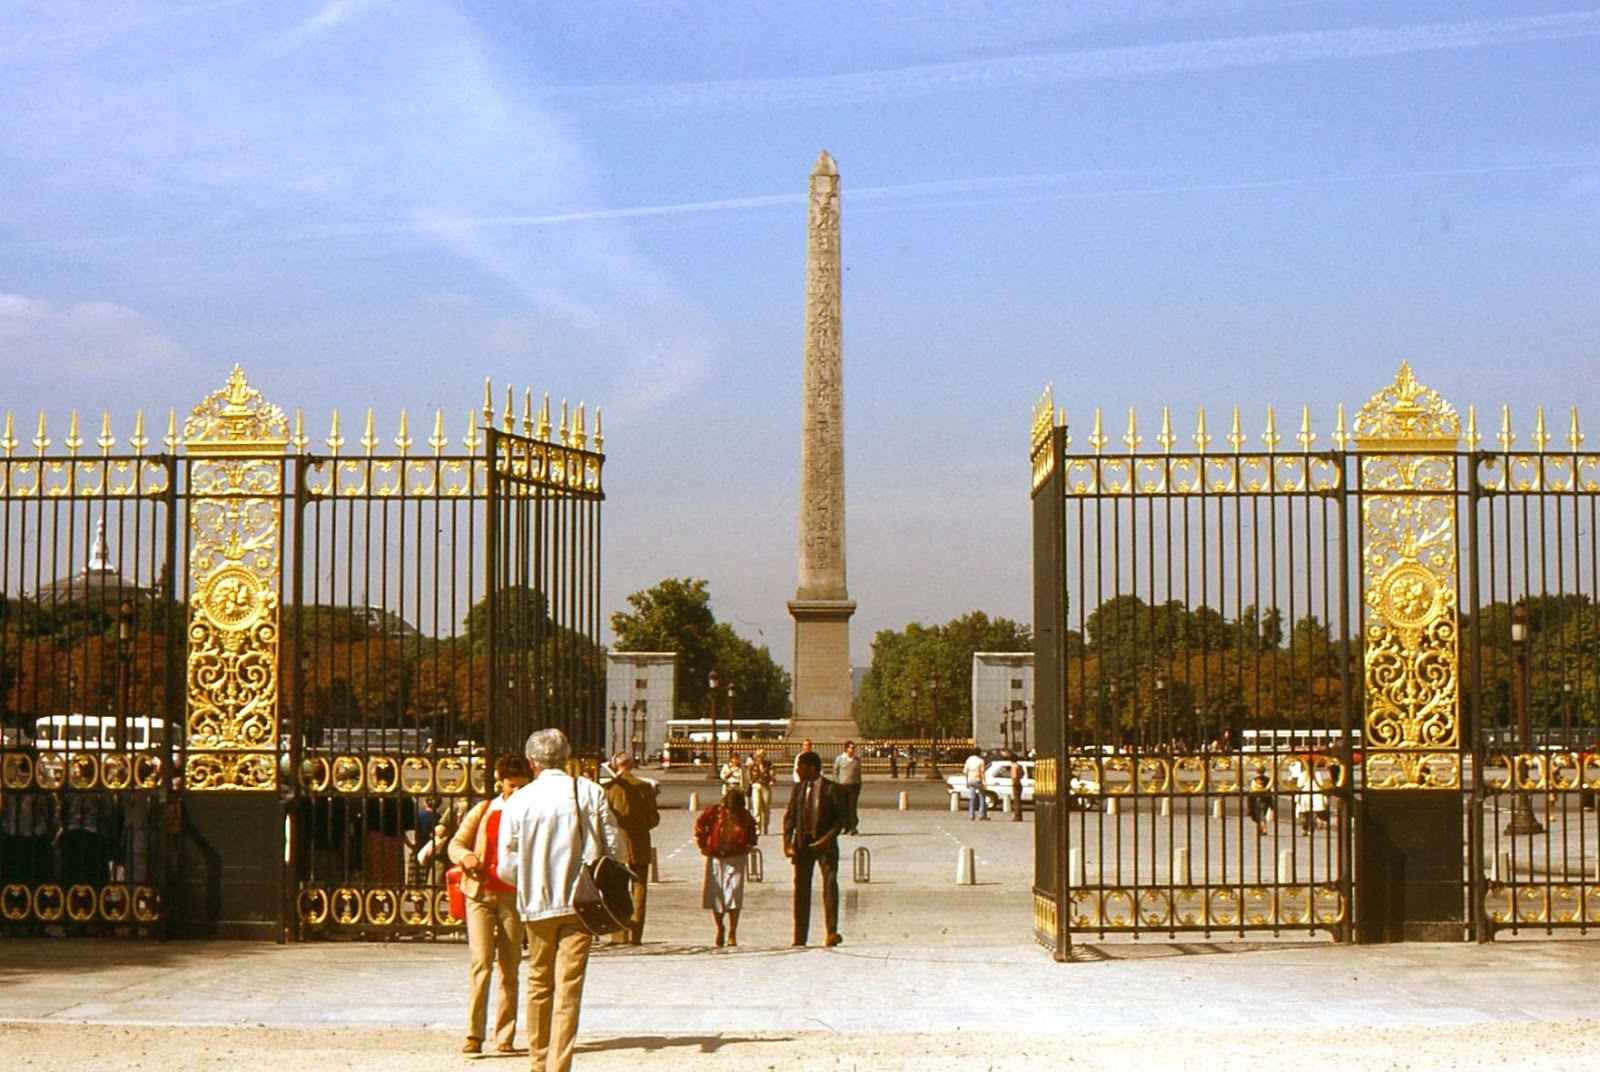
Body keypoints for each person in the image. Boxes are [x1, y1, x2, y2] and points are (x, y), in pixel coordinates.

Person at [496, 728, 625, 1072]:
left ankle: (538, 1060)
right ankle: (559, 1064)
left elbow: (506, 864)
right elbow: (616, 849)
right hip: (581, 903)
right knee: (569, 987)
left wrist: (526, 881)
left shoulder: (519, 800)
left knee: (539, 981)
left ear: (531, 762)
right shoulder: (588, 791)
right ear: (567, 757)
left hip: (537, 902)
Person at [448, 754, 532, 1055]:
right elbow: (455, 844)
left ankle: (505, 1035)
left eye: (522, 787)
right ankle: (473, 1033)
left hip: (512, 895)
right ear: (500, 782)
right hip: (481, 893)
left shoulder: (530, 813)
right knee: (481, 962)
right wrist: (467, 857)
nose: (516, 793)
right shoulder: (484, 809)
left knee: (510, 967)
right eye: (511, 786)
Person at [782, 750, 845, 948]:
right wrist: (787, 841)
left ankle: (831, 931)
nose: (797, 771)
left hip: (825, 844)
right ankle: (800, 936)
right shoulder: (799, 788)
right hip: (803, 845)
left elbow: (841, 819)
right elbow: (791, 816)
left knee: (829, 885)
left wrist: (828, 838)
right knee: (801, 889)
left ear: (811, 768)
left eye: (800, 767)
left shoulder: (831, 789)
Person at [602, 751, 659, 944]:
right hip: (640, 844)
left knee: (617, 889)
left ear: (614, 765)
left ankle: (619, 932)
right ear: (632, 765)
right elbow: (653, 819)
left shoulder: (608, 789)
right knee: (639, 890)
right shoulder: (644, 788)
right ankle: (636, 934)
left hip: (616, 846)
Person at [694, 787, 758, 947]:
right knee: (716, 895)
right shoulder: (714, 812)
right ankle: (720, 927)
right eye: (729, 809)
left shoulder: (745, 817)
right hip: (716, 857)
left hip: (736, 857)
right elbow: (700, 825)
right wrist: (703, 845)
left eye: (734, 810)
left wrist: (748, 846)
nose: (731, 813)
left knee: (734, 894)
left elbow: (752, 834)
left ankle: (732, 933)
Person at [832, 741, 862, 835]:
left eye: (854, 748)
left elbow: (858, 773)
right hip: (842, 786)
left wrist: (859, 783)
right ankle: (845, 826)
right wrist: (837, 783)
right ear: (846, 749)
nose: (853, 750)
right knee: (844, 808)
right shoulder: (840, 759)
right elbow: (835, 772)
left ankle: (853, 827)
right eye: (851, 748)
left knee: (852, 807)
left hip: (854, 786)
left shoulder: (857, 760)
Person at [747, 749, 775, 835]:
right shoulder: (753, 765)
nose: (760, 758)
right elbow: (749, 775)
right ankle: (757, 828)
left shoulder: (768, 764)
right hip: (756, 786)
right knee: (757, 807)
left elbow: (772, 774)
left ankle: (765, 827)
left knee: (766, 808)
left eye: (762, 756)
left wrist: (772, 780)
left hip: (766, 786)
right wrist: (750, 781)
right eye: (758, 756)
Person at [963, 750, 989, 821]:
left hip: (970, 778)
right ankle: (982, 814)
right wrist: (984, 782)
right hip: (977, 778)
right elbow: (982, 772)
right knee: (982, 796)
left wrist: (966, 781)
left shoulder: (969, 760)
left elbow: (965, 771)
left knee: (972, 797)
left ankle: (971, 814)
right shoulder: (980, 761)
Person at [1245, 770, 1274, 835]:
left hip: (1257, 799)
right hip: (1266, 799)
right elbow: (1271, 791)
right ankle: (1262, 828)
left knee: (1259, 815)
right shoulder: (1268, 780)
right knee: (1263, 814)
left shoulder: (1255, 780)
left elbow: (1251, 791)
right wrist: (1272, 803)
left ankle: (1263, 829)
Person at [1007, 752, 1024, 822]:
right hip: (1019, 783)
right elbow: (1022, 774)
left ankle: (1017, 816)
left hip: (1016, 784)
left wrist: (1013, 782)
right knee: (1018, 801)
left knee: (1016, 801)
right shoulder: (1019, 766)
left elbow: (1014, 776)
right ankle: (1019, 815)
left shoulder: (1013, 766)